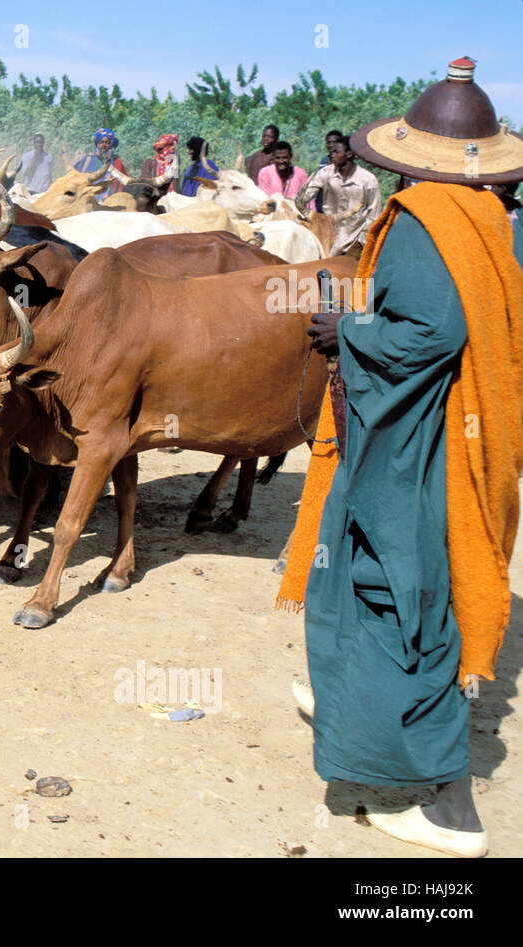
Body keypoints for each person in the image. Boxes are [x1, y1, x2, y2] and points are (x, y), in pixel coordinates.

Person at [280, 55, 523, 857]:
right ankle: (357, 699)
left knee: (396, 584)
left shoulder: (423, 219)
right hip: (454, 428)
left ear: (407, 152)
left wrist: (342, 331)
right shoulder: (485, 215)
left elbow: (431, 332)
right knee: (386, 580)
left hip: (417, 445)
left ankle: (448, 806)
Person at [295, 135, 382, 255]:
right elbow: (306, 196)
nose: (331, 155)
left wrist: (362, 240)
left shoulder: (367, 180)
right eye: (331, 152)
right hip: (328, 236)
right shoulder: (325, 173)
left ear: (349, 154)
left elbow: (374, 214)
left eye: (336, 152)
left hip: (354, 240)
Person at [74, 128, 126, 200]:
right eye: (102, 142)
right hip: (87, 199)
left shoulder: (116, 161)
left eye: (107, 142)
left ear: (111, 145)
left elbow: (123, 183)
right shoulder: (88, 159)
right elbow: (74, 176)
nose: (104, 145)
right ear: (97, 143)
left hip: (110, 202)